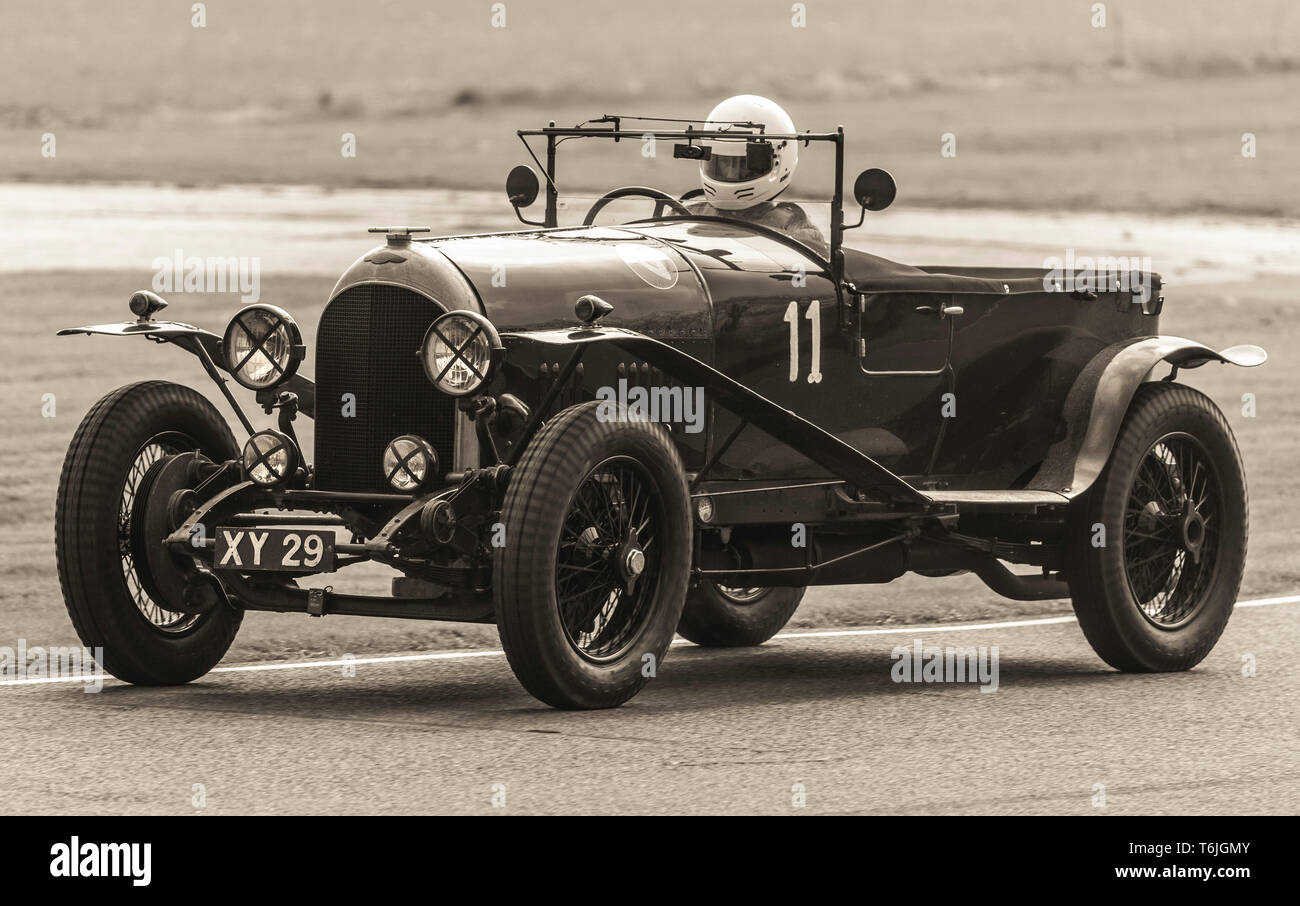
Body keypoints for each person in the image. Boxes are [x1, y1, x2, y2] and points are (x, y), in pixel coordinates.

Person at [688, 94, 828, 257]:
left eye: (745, 165)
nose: (732, 173)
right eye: (724, 163)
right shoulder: (684, 214)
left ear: (778, 163)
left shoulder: (796, 230)